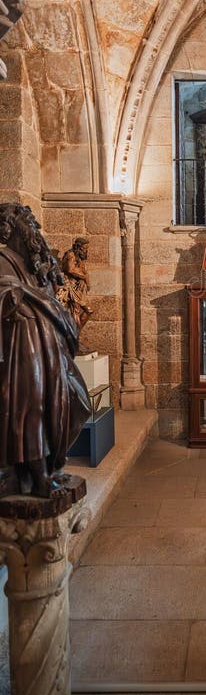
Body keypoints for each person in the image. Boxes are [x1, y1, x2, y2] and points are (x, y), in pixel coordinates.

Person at [0, 204, 91, 498]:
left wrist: (41, 287)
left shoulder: (30, 264)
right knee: (30, 408)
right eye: (25, 222)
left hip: (45, 345)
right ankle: (36, 476)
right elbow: (5, 296)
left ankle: (46, 468)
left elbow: (49, 296)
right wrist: (24, 294)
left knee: (68, 402)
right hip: (22, 346)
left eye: (32, 221)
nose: (33, 227)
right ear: (9, 230)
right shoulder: (3, 260)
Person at [56, 236, 93, 331]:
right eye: (84, 248)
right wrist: (84, 277)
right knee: (76, 311)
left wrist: (84, 280)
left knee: (86, 311)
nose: (86, 250)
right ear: (78, 247)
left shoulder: (80, 257)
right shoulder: (71, 255)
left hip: (78, 288)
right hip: (71, 287)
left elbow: (83, 271)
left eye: (87, 248)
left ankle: (75, 334)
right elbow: (70, 269)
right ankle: (74, 335)